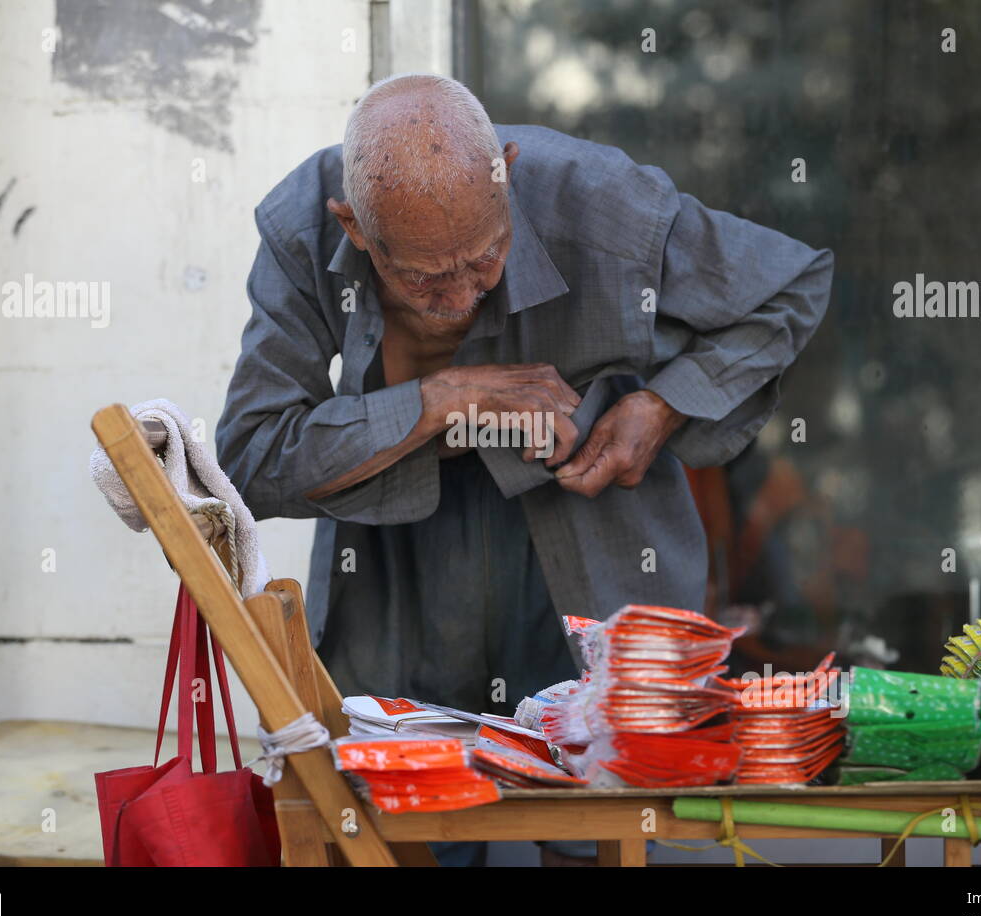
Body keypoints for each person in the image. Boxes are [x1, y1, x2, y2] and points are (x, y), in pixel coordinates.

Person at [216, 74, 833, 864]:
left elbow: (789, 286)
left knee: (601, 813)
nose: (464, 295)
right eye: (424, 279)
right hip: (399, 551)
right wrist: (442, 398)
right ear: (355, 229)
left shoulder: (606, 204)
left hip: (588, 534)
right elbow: (252, 452)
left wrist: (663, 406)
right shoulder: (303, 227)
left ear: (505, 169)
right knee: (399, 813)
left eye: (485, 258)